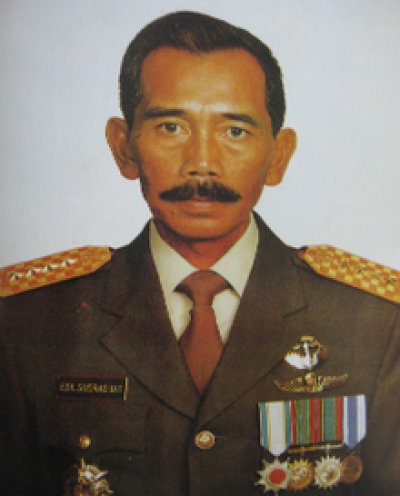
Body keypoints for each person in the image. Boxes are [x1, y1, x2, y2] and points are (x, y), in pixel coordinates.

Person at [0, 11, 399, 496]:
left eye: (235, 131)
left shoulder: (375, 324)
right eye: (171, 127)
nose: (202, 164)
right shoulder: (27, 323)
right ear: (124, 147)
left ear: (278, 156)